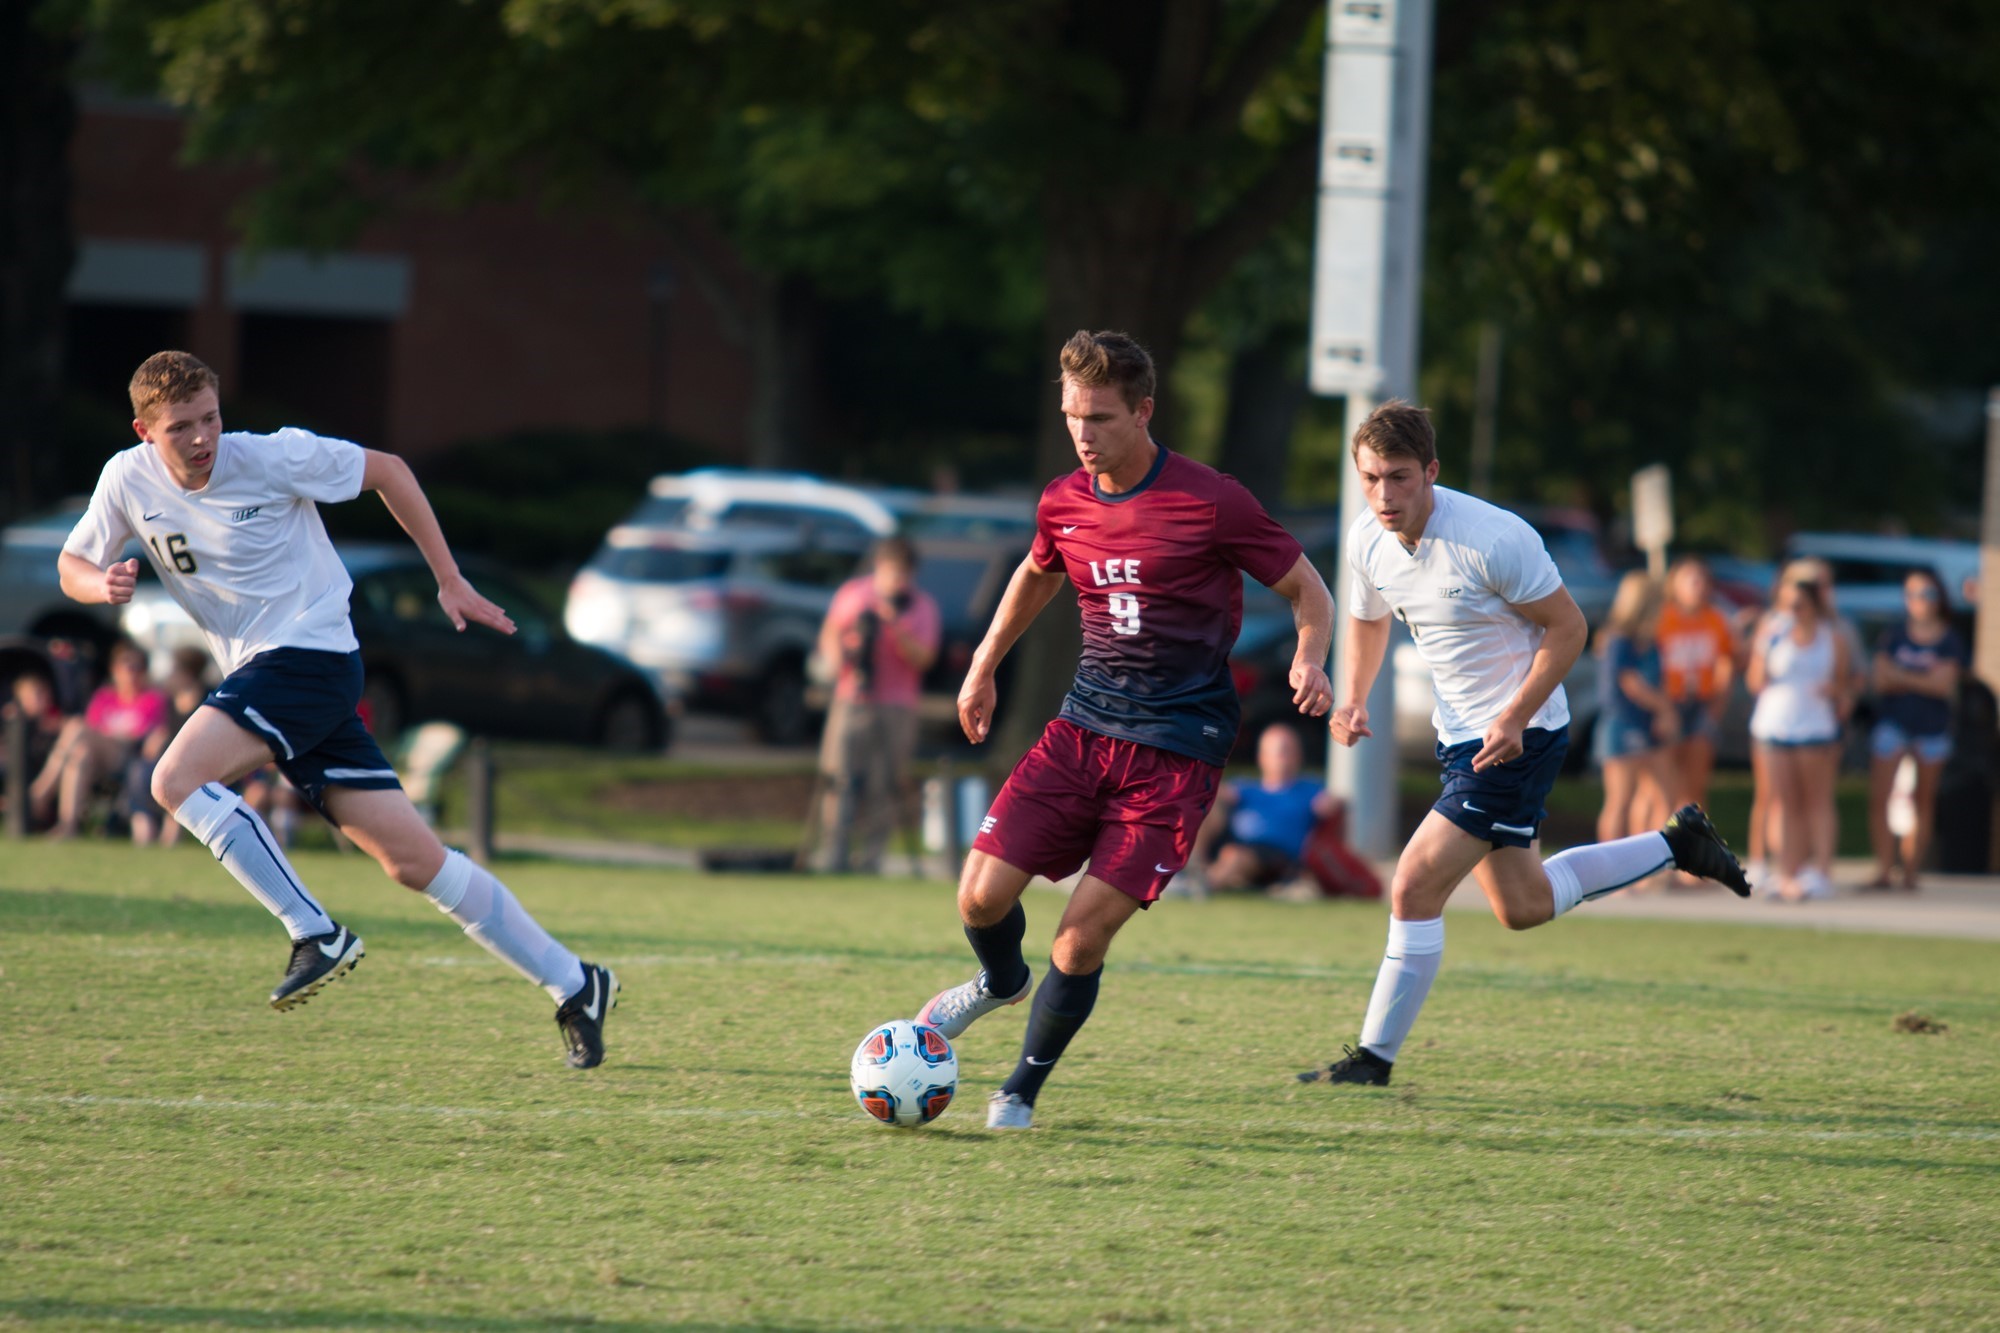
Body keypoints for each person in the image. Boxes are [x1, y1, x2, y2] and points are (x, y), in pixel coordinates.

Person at [56, 351, 617, 1067]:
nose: (202, 439)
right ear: (144, 431)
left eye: (210, 419)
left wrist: (449, 579)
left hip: (312, 656)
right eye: (181, 429)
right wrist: (99, 584)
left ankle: (311, 929)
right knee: (414, 862)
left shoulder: (275, 457)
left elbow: (390, 470)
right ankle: (576, 983)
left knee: (174, 781)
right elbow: (72, 563)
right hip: (266, 675)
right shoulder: (125, 479)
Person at [910, 329, 1336, 1130]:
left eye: (1100, 417)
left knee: (1076, 944)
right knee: (978, 896)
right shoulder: (1064, 499)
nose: (1082, 432)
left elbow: (1311, 592)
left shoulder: (1212, 500)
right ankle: (1000, 984)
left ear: (1144, 412)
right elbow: (1037, 573)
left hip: (1176, 754)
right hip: (1082, 728)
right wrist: (983, 667)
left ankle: (1020, 1089)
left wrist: (1310, 660)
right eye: (1073, 414)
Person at [1298, 400, 1749, 1088]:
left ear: (1431, 472)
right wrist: (1354, 695)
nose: (1384, 495)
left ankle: (1373, 1058)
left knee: (1413, 883)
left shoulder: (1493, 538)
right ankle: (1677, 843)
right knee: (1524, 906)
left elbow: (1568, 630)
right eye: (1370, 478)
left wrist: (1512, 715)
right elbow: (1366, 619)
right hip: (1461, 738)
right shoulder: (1367, 538)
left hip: (1520, 736)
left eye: (1398, 477)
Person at [812, 536, 941, 874]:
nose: (895, 581)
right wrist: (840, 657)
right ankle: (834, 855)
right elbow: (830, 634)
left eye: (901, 574)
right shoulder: (854, 595)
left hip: (897, 705)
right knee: (838, 777)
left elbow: (925, 657)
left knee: (884, 783)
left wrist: (895, 628)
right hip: (851, 697)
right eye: (889, 572)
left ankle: (871, 859)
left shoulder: (920, 607)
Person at [1746, 565, 1848, 901]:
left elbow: (1843, 685)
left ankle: (1820, 870)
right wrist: (1763, 646)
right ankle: (1785, 871)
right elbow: (1755, 681)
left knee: (1815, 800)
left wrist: (1833, 692)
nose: (1792, 611)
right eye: (1787, 604)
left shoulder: (1831, 637)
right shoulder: (1772, 632)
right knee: (1782, 802)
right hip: (1774, 725)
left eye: (1799, 604)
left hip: (1815, 727)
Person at [1866, 568, 1966, 890]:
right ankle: (1884, 870)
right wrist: (1923, 679)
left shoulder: (1950, 639)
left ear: (1939, 598)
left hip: (1932, 729)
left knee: (1922, 800)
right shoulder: (1894, 634)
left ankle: (1910, 872)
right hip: (1893, 724)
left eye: (1928, 594)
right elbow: (1880, 680)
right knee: (1880, 797)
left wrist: (1902, 676)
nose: (1921, 601)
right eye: (1913, 594)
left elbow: (1943, 686)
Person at [28, 639, 167, 839]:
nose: (131, 673)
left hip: (127, 756)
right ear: (114, 670)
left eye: (136, 667)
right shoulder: (104, 697)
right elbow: (89, 732)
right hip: (96, 756)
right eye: (125, 666)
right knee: (79, 754)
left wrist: (112, 735)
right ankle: (68, 825)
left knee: (76, 727)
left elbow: (151, 735)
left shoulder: (152, 699)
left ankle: (41, 792)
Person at [1593, 571, 1678, 864]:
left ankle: (1652, 863)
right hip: (1622, 723)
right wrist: (1664, 709)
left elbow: (1658, 680)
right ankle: (1610, 868)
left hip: (1648, 724)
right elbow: (1630, 683)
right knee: (1620, 800)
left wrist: (1663, 713)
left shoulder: (1651, 640)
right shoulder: (1619, 640)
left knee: (1663, 795)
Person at [1191, 722, 1334, 893]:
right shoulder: (1246, 788)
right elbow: (1210, 792)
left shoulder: (1310, 790)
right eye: (1280, 752)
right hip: (1237, 844)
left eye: (1289, 751)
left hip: (1277, 856)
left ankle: (1202, 887)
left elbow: (1333, 805)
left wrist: (1331, 807)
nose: (1286, 758)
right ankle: (1194, 866)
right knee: (1209, 808)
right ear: (1263, 757)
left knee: (1234, 856)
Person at [1656, 557, 1735, 811]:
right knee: (1663, 785)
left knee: (1695, 785)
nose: (1698, 586)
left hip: (1702, 702)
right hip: (1670, 703)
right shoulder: (1662, 619)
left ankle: (1690, 840)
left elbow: (1727, 661)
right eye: (1691, 580)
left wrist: (1718, 702)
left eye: (1703, 580)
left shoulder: (1716, 619)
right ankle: (1657, 843)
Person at [125, 647, 214, 846]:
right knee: (140, 770)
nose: (169, 677)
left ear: (187, 675)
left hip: (199, 765)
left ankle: (170, 834)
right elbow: (164, 730)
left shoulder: (208, 703)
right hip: (169, 759)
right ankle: (144, 826)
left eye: (174, 671)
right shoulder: (168, 701)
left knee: (179, 779)